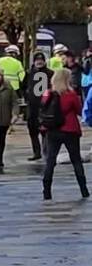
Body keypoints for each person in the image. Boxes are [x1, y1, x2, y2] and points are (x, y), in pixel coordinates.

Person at [40, 67, 89, 201]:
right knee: (76, 160)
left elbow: (42, 107)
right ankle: (84, 190)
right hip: (70, 130)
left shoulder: (48, 93)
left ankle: (46, 191)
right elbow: (80, 110)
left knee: (50, 160)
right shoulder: (71, 95)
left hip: (52, 130)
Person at [21, 51, 54, 161]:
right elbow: (23, 86)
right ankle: (36, 152)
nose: (39, 62)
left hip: (46, 106)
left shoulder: (50, 73)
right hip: (32, 106)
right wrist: (26, 97)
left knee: (46, 131)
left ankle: (46, 152)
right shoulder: (29, 72)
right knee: (32, 130)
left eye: (41, 60)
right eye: (37, 60)